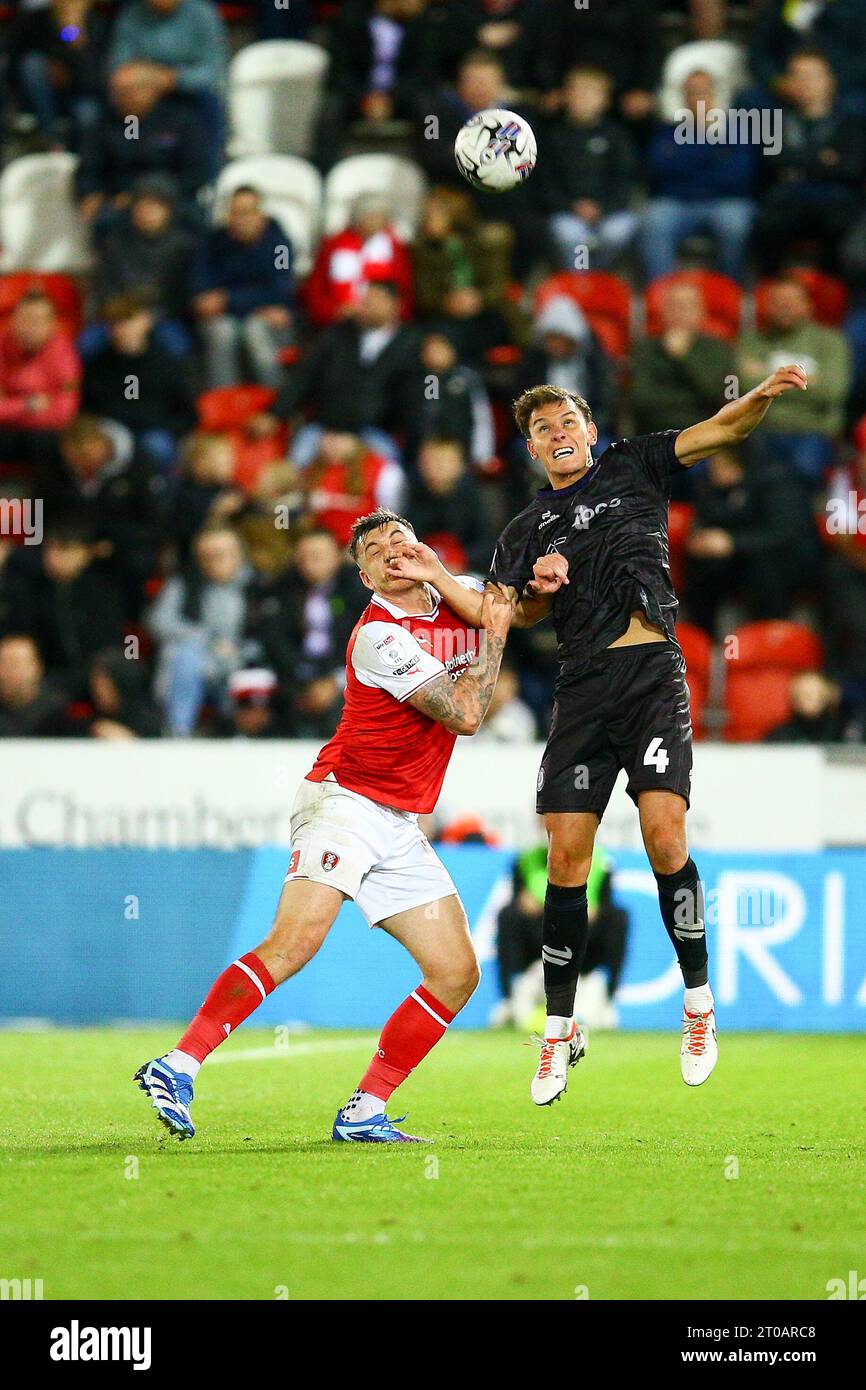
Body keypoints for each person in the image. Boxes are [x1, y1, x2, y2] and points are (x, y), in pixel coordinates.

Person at [388, 367, 812, 1105]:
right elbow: (505, 615)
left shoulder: (636, 463)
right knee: (565, 858)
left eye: (567, 422)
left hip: (650, 674)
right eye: (541, 429)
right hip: (581, 690)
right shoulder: (523, 531)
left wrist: (764, 393)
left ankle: (699, 1006)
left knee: (664, 837)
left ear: (590, 429)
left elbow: (725, 429)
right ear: (529, 450)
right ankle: (558, 1029)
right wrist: (528, 591)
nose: (558, 434)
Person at [134, 507, 515, 1144]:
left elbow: (509, 604)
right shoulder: (380, 635)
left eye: (402, 537)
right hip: (345, 802)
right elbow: (466, 713)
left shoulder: (453, 599)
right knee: (294, 944)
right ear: (365, 577)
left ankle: (365, 1110)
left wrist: (538, 579)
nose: (393, 550)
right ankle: (177, 1065)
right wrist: (495, 631)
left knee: (456, 972)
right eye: (375, 550)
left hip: (396, 819)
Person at [494, 844, 628, 1030]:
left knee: (618, 917)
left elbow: (600, 909)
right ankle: (509, 998)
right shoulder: (525, 862)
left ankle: (607, 999)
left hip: (583, 967)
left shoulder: (601, 864)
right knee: (507, 915)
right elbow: (522, 903)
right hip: (535, 965)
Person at [641, 68, 756, 283]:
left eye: (703, 91)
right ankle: (661, 295)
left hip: (726, 202)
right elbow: (659, 171)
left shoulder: (737, 129)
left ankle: (728, 292)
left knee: (736, 225)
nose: (698, 98)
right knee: (654, 221)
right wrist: (715, 154)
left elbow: (739, 176)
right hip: (677, 203)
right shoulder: (667, 131)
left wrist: (686, 159)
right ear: (684, 98)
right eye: (692, 92)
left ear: (715, 94)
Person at [736, 278, 851, 485]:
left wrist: (768, 376)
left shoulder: (831, 342)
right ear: (768, 306)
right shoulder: (751, 341)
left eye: (791, 301)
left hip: (813, 432)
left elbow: (833, 391)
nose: (785, 308)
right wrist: (806, 380)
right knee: (757, 480)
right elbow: (743, 387)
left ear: (808, 306)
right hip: (763, 430)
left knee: (804, 474)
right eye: (778, 302)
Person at [191, 187, 296, 390]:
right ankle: (224, 404)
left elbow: (282, 290)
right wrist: (252, 303)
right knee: (222, 331)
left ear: (261, 215)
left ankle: (275, 401)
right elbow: (202, 292)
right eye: (235, 212)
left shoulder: (280, 247)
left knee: (255, 330)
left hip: (266, 321)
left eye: (247, 212)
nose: (241, 219)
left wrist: (227, 299)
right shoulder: (212, 243)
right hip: (226, 318)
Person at [537, 65, 639, 272]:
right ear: (566, 96)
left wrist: (602, 208)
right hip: (567, 212)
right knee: (573, 237)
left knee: (617, 233)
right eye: (577, 92)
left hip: (609, 211)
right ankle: (582, 282)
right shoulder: (553, 137)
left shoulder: (616, 136)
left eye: (590, 93)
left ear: (605, 100)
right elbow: (546, 182)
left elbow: (625, 179)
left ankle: (598, 274)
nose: (582, 98)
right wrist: (571, 206)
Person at [0, 290, 81, 467]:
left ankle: (45, 495)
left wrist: (10, 407)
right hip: (6, 431)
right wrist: (27, 405)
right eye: (24, 319)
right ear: (13, 320)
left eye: (37, 321)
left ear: (51, 324)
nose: (29, 327)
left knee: (50, 442)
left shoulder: (64, 353)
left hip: (44, 434)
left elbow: (65, 412)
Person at [0, 634, 67, 737]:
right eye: (3, 663)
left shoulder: (60, 709)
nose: (8, 672)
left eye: (16, 664)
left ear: (37, 667)